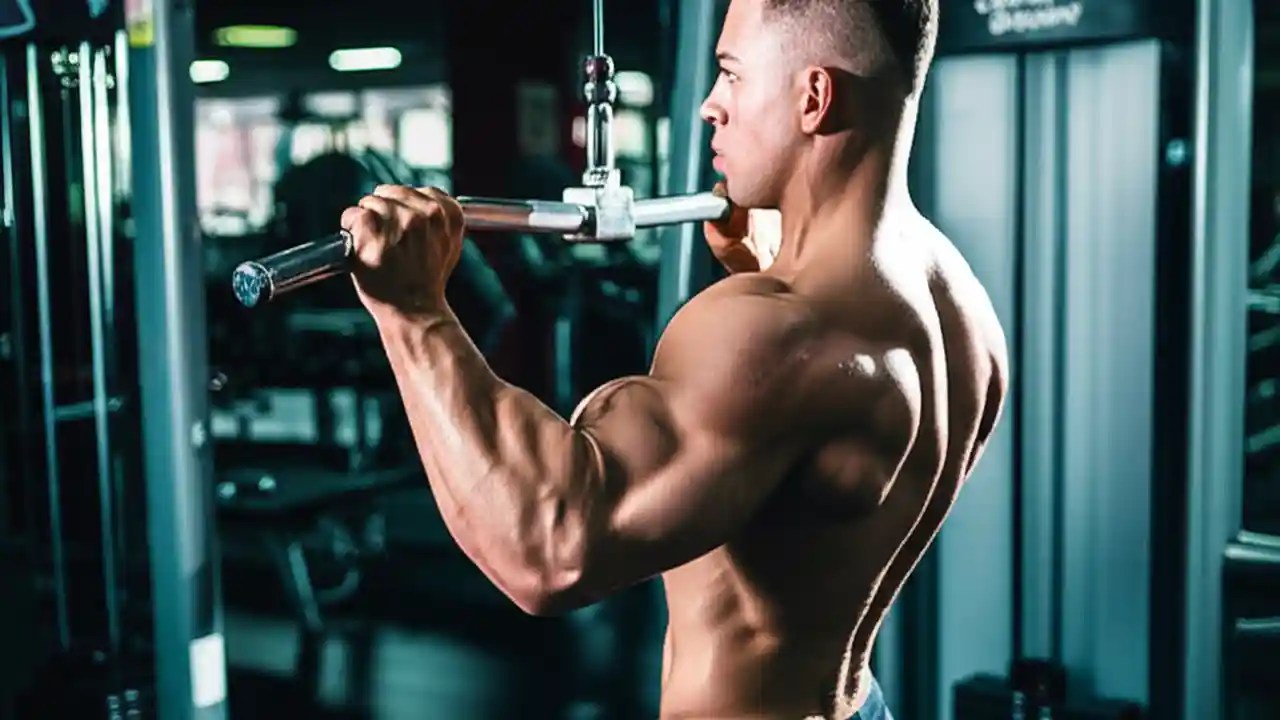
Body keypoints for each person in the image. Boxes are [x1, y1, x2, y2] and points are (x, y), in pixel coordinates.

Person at [339, 0, 1008, 717]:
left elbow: (550, 548)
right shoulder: (958, 304)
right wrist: (772, 263)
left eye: (731, 74)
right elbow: (812, 500)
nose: (710, 106)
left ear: (814, 98)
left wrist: (414, 311)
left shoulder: (775, 334)